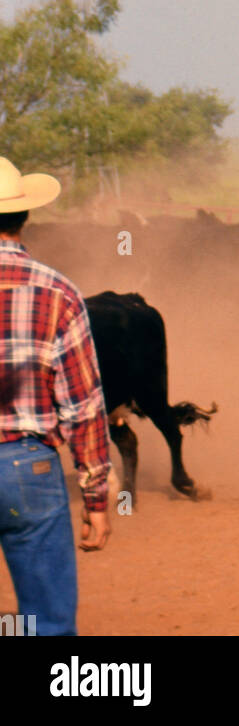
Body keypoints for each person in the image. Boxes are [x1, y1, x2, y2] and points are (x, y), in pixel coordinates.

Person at [0, 157, 111, 636]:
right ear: (25, 216)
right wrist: (97, 497)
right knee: (46, 620)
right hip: (28, 464)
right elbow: (83, 406)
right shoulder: (57, 291)